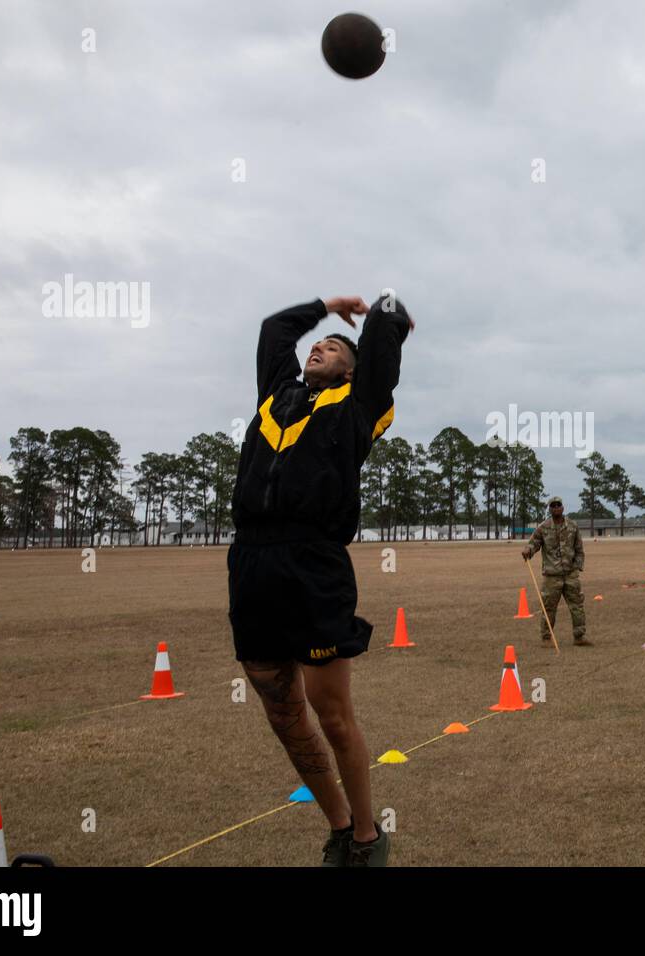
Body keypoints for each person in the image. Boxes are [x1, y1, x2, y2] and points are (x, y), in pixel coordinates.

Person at [227, 293, 413, 867]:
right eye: (318, 343)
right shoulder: (274, 398)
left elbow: (383, 337)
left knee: (329, 710)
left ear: (352, 370)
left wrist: (385, 312)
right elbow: (273, 330)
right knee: (281, 708)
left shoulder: (359, 406)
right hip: (253, 562)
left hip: (314, 564)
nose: (319, 347)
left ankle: (367, 837)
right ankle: (338, 825)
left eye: (333, 347)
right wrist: (326, 306)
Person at [521, 496, 591, 646]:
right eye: (553, 505)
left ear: (563, 507)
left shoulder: (573, 526)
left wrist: (578, 566)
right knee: (548, 608)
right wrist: (528, 550)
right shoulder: (543, 527)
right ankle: (546, 638)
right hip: (552, 576)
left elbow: (579, 549)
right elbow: (534, 543)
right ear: (550, 509)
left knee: (577, 606)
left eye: (559, 505)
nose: (556, 507)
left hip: (570, 574)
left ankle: (579, 637)